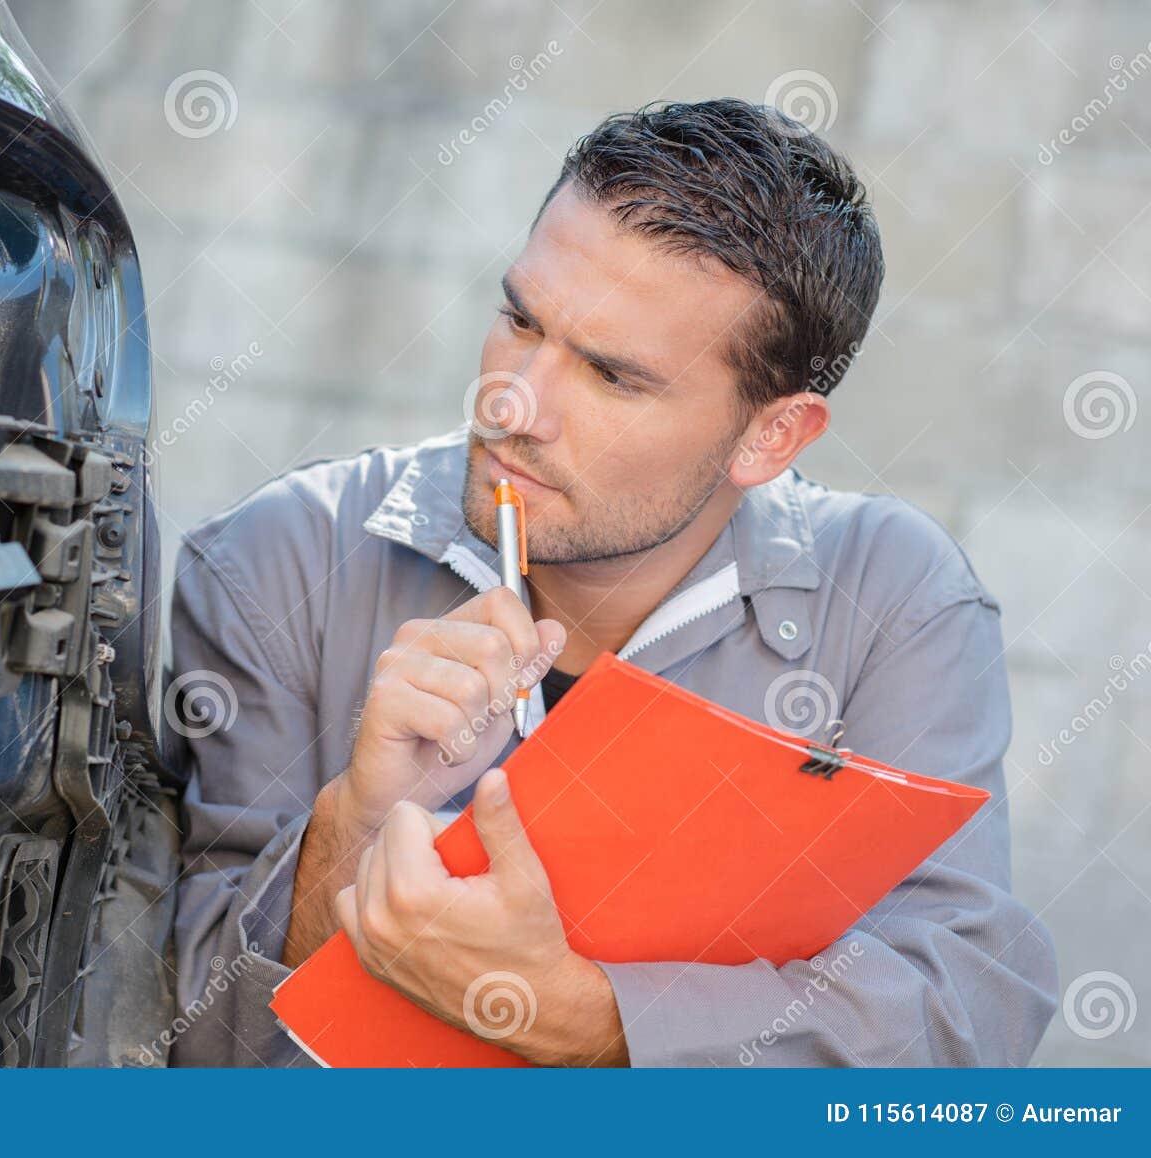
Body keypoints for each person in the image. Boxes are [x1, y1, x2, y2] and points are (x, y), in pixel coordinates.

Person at [168, 99, 1058, 1067]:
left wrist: (598, 1021)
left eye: (611, 378)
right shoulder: (273, 562)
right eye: (519, 319)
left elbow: (966, 1017)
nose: (512, 402)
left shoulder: (892, 604)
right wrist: (351, 824)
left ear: (772, 436)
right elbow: (169, 1048)